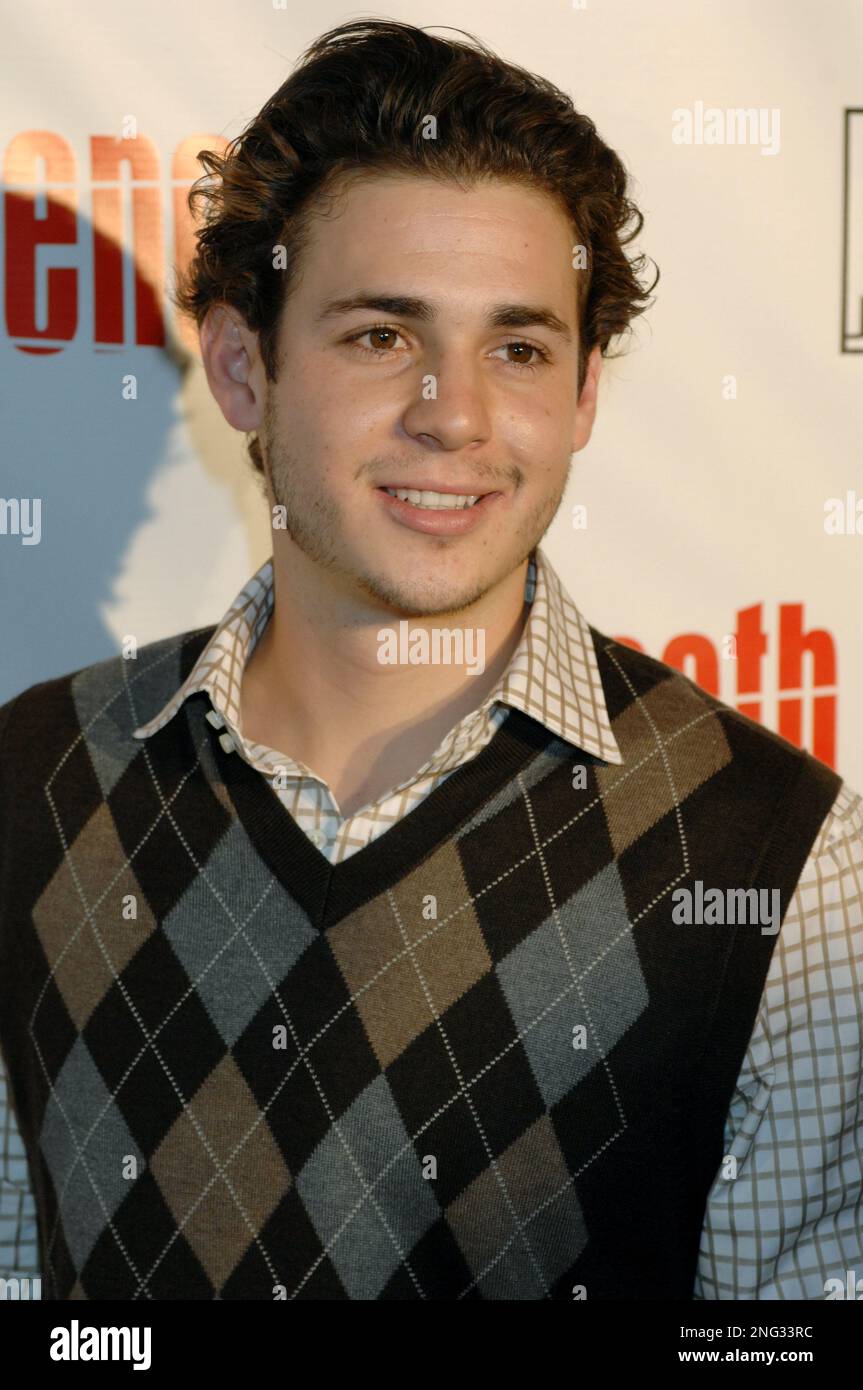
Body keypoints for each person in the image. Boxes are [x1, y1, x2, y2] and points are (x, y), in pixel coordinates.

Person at [1, 18, 860, 1302]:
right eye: (379, 336)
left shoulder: (781, 860)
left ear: (580, 397)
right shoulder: (32, 779)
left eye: (517, 348)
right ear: (244, 368)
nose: (453, 413)